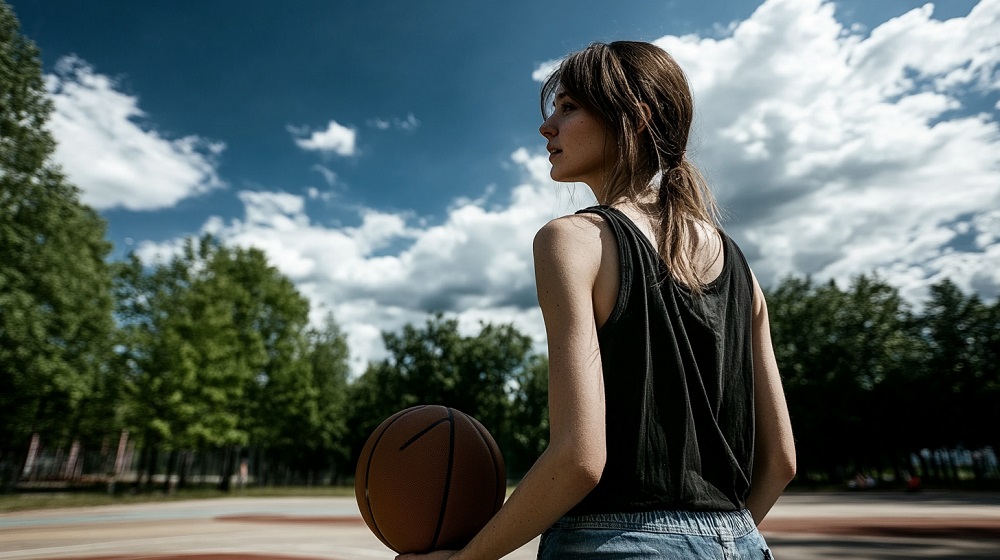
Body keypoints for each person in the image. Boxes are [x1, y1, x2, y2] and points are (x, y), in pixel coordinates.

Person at [398, 40, 796, 560]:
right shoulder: (742, 269)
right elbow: (781, 461)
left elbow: (580, 458)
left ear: (633, 118)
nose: (547, 127)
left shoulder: (571, 241)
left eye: (568, 108)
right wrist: (714, 539)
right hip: (742, 540)